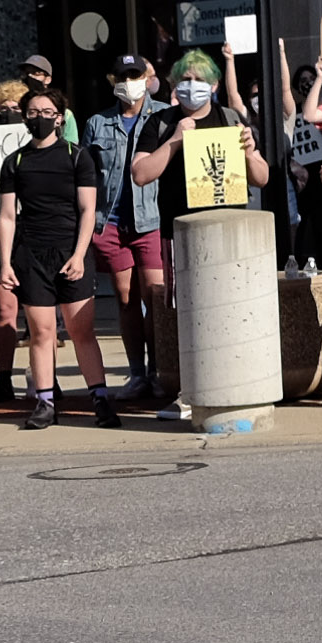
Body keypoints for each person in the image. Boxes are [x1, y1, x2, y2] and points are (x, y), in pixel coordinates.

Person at [130, 49, 274, 417]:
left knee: (228, 308)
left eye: (198, 80)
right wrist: (176, 140)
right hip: (179, 235)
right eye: (184, 80)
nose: (190, 87)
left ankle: (232, 381)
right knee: (185, 313)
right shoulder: (160, 122)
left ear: (213, 85)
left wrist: (250, 152)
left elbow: (261, 177)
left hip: (226, 237)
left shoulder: (230, 119)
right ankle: (189, 390)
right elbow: (141, 173)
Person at [0, 84, 117, 429]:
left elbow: (88, 209)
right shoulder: (14, 161)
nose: (40, 119)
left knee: (81, 330)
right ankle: (44, 402)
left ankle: (101, 399)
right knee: (41, 331)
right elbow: (7, 215)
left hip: (71, 250)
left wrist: (79, 255)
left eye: (47, 113)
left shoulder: (77, 156)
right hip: (32, 255)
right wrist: (5, 263)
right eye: (32, 113)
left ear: (60, 118)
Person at [86, 52, 169, 395]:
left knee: (157, 297)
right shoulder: (97, 123)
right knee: (125, 299)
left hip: (151, 220)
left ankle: (160, 369)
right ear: (113, 81)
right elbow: (88, 176)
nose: (129, 82)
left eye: (135, 75)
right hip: (111, 223)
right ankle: (137, 373)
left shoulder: (165, 115)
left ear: (148, 77)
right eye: (123, 76)